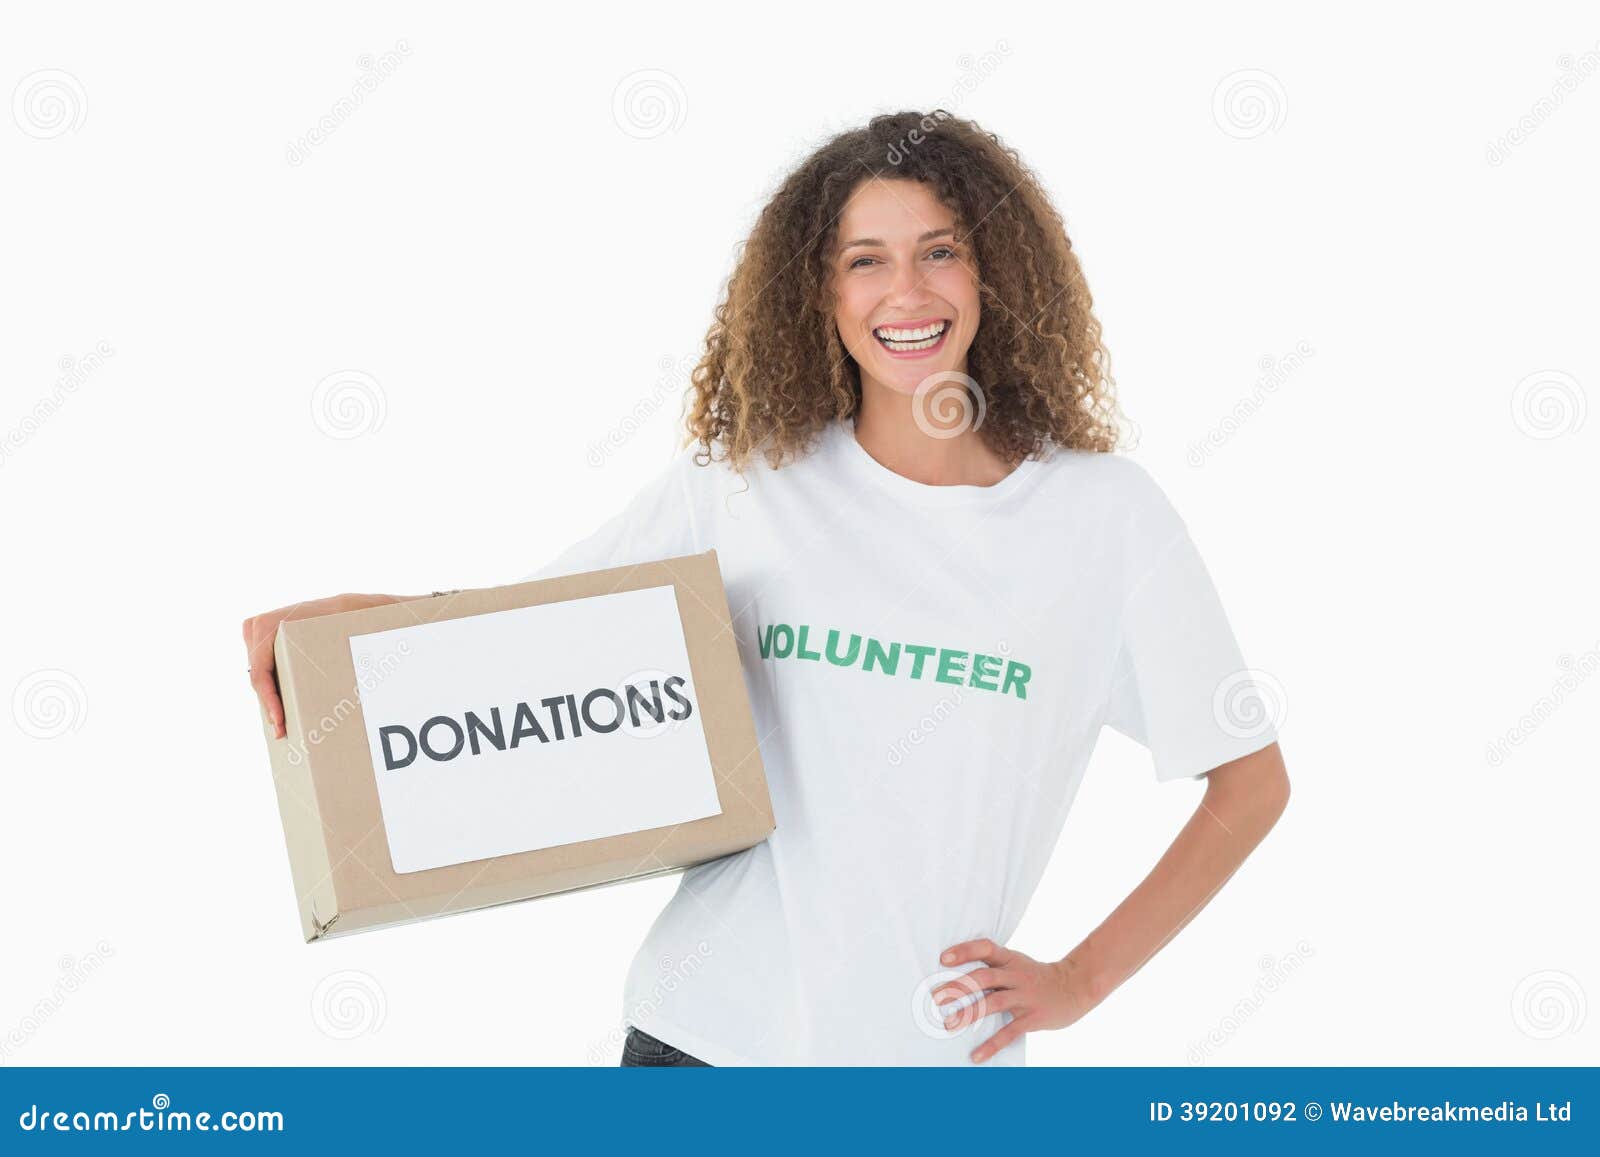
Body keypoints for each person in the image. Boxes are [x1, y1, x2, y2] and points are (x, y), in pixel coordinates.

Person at [242, 110, 1290, 1067]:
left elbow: (1249, 782)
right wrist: (355, 635)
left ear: (996, 273)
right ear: (820, 292)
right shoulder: (746, 486)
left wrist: (1079, 980)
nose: (907, 293)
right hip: (704, 1044)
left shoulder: (1102, 519)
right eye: (864, 261)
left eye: (940, 252)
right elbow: (522, 646)